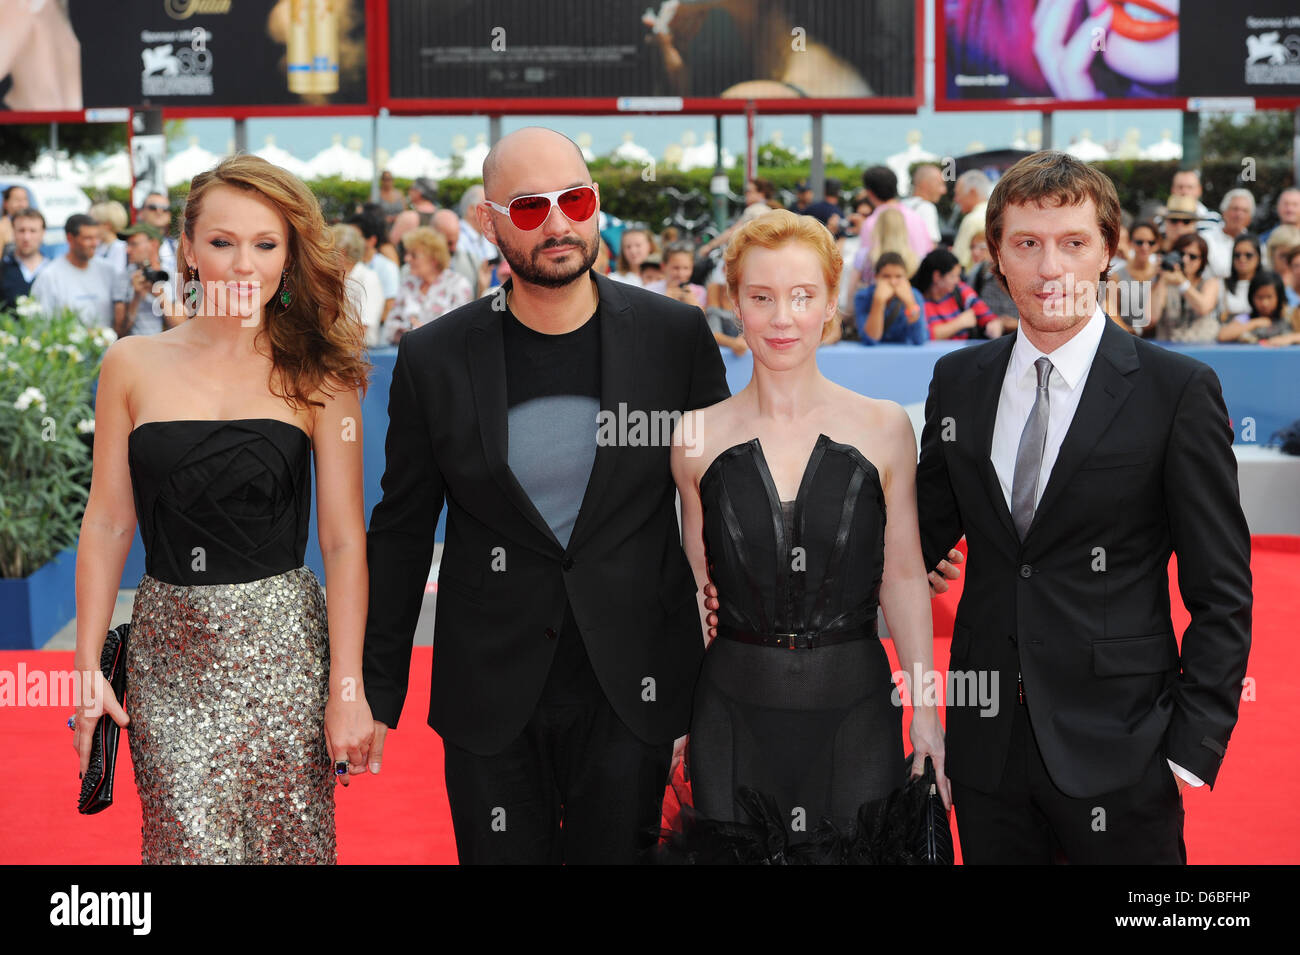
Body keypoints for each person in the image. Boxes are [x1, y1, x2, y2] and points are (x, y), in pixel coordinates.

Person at [361, 125, 730, 865]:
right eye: (529, 208)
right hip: (489, 691)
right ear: (488, 221)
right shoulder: (435, 357)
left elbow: (724, 497)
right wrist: (371, 686)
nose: (558, 223)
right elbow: (401, 529)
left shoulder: (675, 336)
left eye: (576, 199)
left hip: (638, 684)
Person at [916, 150, 1252, 864]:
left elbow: (1221, 586)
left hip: (1124, 751)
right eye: (1027, 244)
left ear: (1108, 252)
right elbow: (918, 535)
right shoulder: (959, 382)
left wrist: (1192, 744)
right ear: (997, 257)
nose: (1050, 269)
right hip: (986, 753)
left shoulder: (1176, 390)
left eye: (1073, 243)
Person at [71, 154, 374, 864]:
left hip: (286, 661)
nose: (244, 265)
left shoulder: (321, 376)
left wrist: (348, 688)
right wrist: (86, 667)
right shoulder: (131, 363)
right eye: (222, 241)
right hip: (168, 658)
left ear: (291, 254)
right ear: (186, 248)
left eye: (266, 244)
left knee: (291, 850)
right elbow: (109, 521)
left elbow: (343, 542)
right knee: (182, 848)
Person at [671, 209, 947, 855]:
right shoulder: (692, 436)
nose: (782, 318)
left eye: (802, 296)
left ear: (830, 303)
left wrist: (927, 714)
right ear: (735, 302)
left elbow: (904, 577)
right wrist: (673, 718)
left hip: (855, 712)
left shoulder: (884, 427)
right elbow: (695, 593)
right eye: (762, 297)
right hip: (729, 715)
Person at [382, 227, 473, 344]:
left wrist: (420, 332)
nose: (407, 259)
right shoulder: (408, 284)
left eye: (414, 255)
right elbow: (389, 328)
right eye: (407, 254)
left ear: (433, 259)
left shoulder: (458, 285)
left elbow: (460, 329)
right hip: (408, 354)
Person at [30, 213, 114, 328]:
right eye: (88, 238)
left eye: (97, 238)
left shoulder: (107, 270)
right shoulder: (49, 276)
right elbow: (40, 322)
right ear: (70, 238)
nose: (95, 244)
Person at [913, 248, 1000, 340]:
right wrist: (960, 322)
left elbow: (986, 314)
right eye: (953, 276)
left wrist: (994, 325)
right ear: (937, 276)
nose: (957, 280)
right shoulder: (916, 300)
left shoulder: (960, 291)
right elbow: (922, 335)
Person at [1149, 233, 1220, 343]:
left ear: (1202, 261)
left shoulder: (1210, 282)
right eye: (1181, 254)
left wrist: (1182, 282)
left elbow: (1204, 308)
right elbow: (1152, 317)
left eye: (1192, 256)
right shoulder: (1164, 280)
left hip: (1201, 349)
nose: (1185, 260)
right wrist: (1161, 278)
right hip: (1167, 348)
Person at [112, 222, 179, 338]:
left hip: (166, 350)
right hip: (136, 350)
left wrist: (161, 296)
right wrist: (136, 297)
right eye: (127, 245)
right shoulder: (123, 278)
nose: (127, 250)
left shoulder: (172, 276)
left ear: (153, 245)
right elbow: (119, 332)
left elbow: (181, 327)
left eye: (134, 244)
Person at [855, 251, 928, 345]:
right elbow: (870, 340)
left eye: (898, 276)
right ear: (876, 277)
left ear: (906, 278)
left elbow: (919, 339)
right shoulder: (863, 296)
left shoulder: (915, 295)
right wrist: (878, 301)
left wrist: (910, 303)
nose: (893, 282)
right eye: (886, 276)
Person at [331, 222, 385, 347]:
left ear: (343, 252)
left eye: (331, 250)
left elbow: (362, 329)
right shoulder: (332, 278)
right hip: (334, 350)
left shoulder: (368, 278)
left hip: (364, 352)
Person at [1105, 219, 1159, 334]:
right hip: (1127, 337)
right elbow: (1111, 312)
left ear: (1157, 245)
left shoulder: (1161, 274)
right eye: (1139, 242)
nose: (1145, 247)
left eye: (1151, 242)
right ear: (1130, 243)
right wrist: (1129, 332)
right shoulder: (1116, 276)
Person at [1220, 271, 1294, 344]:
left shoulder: (1290, 317)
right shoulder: (1246, 318)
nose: (1264, 303)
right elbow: (1223, 335)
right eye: (1260, 297)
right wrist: (1255, 323)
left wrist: (1289, 338)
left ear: (1279, 297)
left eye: (1269, 297)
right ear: (1251, 298)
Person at [967, 232, 1019, 333]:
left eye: (982, 247)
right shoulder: (978, 274)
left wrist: (1016, 324)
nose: (976, 252)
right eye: (972, 247)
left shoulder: (1021, 275)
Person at [0, 208, 50, 312]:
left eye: (33, 231)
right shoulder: (2, 268)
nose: (26, 237)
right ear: (13, 232)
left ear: (43, 233)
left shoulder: (53, 270)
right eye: (21, 230)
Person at [1204, 189, 1256, 280]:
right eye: (1235, 209)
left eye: (1245, 211)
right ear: (1224, 212)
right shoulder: (1206, 239)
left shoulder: (1256, 245)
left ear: (1250, 218)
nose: (1239, 215)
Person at [647, 240, 707, 309]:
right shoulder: (650, 291)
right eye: (676, 268)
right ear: (663, 267)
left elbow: (705, 319)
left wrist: (695, 305)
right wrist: (665, 301)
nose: (681, 274)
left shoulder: (700, 292)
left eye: (686, 268)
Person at [951, 170, 992, 270]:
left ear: (972, 192)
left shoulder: (972, 219)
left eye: (958, 194)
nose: (955, 199)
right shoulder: (996, 214)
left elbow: (958, 261)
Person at [1220, 234, 1262, 320]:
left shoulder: (1267, 283)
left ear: (1258, 257)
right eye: (1237, 255)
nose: (1242, 259)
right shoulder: (1222, 284)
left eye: (1248, 255)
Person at [137, 192, 178, 278]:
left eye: (165, 208)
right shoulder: (125, 249)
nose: (159, 211)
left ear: (169, 215)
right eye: (153, 207)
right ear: (141, 213)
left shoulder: (178, 247)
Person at [903, 162, 946, 245]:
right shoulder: (926, 208)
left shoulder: (902, 205)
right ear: (925, 184)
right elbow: (931, 245)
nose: (943, 191)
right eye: (940, 184)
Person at [89, 200, 130, 278]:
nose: (90, 227)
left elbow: (117, 276)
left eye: (94, 223)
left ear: (107, 225)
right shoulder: (99, 246)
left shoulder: (120, 248)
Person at [1, 184, 32, 257]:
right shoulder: (2, 227)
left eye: (25, 199)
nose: (22, 204)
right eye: (17, 200)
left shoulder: (34, 224)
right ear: (5, 203)